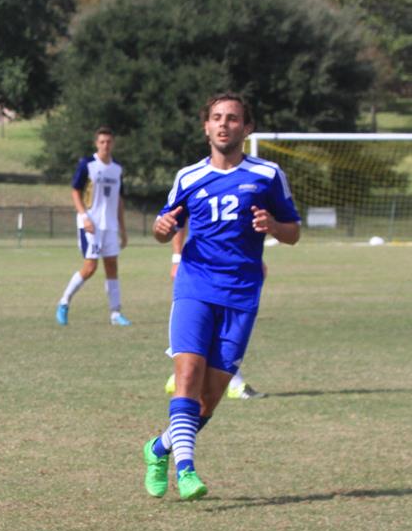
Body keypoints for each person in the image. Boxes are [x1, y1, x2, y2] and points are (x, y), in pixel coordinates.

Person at [145, 93, 299, 500]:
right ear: (206, 127)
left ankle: (159, 447)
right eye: (216, 118)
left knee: (209, 400)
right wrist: (161, 231)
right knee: (187, 377)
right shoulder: (188, 176)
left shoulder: (267, 175)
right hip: (195, 286)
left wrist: (273, 226)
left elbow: (294, 232)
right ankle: (187, 470)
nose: (224, 124)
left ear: (246, 128)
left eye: (233, 118)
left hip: (242, 293)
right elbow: (165, 226)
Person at [163, 230, 266, 400]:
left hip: (235, 260)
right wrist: (177, 257)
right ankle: (232, 382)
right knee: (201, 324)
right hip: (201, 267)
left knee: (220, 327)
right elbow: (177, 218)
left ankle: (181, 376)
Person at [56, 126, 131, 326]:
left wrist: (123, 229)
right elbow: (75, 191)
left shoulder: (117, 169)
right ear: (96, 143)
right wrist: (84, 216)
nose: (106, 145)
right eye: (102, 142)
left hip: (110, 225)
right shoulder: (87, 164)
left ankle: (115, 314)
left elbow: (119, 200)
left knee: (112, 267)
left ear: (113, 143)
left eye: (109, 142)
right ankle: (64, 302)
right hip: (91, 224)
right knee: (90, 267)